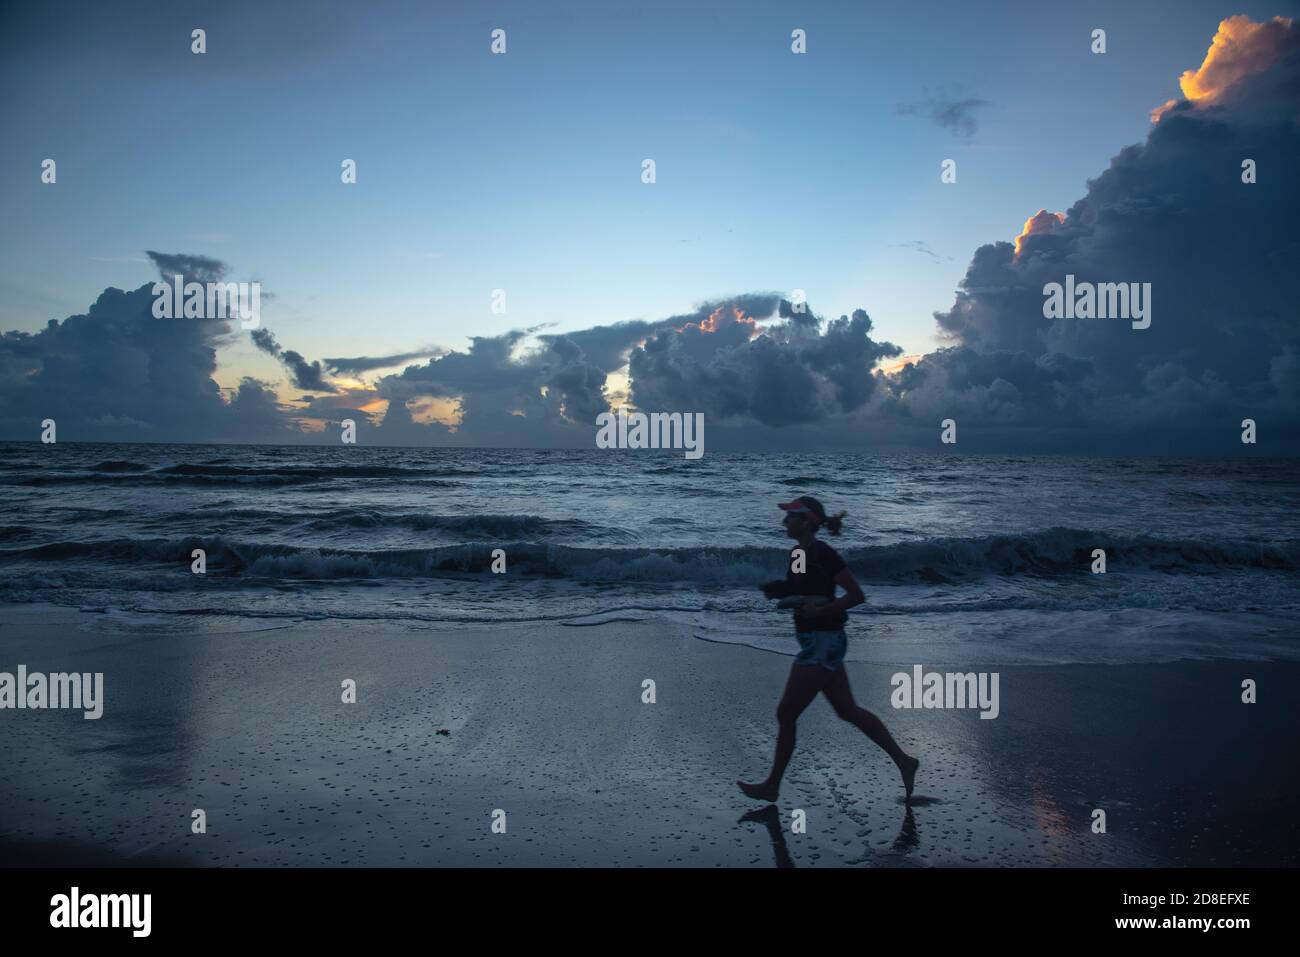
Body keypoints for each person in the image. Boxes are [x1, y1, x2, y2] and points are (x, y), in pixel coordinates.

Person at [738, 495, 919, 803]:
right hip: (817, 641)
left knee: (786, 712)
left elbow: (856, 594)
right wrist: (777, 590)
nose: (784, 522)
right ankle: (904, 761)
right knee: (848, 711)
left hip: (824, 642)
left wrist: (821, 612)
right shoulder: (798, 553)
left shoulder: (823, 553)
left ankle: (772, 786)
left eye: (791, 517)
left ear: (806, 521)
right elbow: (798, 587)